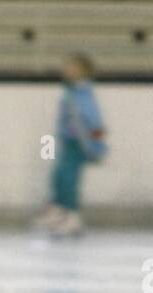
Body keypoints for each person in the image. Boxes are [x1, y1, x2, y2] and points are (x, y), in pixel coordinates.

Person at [35, 53, 107, 237]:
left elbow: (95, 122)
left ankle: (72, 216)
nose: (67, 70)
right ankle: (59, 211)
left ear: (83, 71)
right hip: (68, 142)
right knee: (58, 176)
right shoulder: (71, 92)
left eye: (72, 67)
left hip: (79, 144)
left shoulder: (84, 94)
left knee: (69, 180)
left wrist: (98, 145)